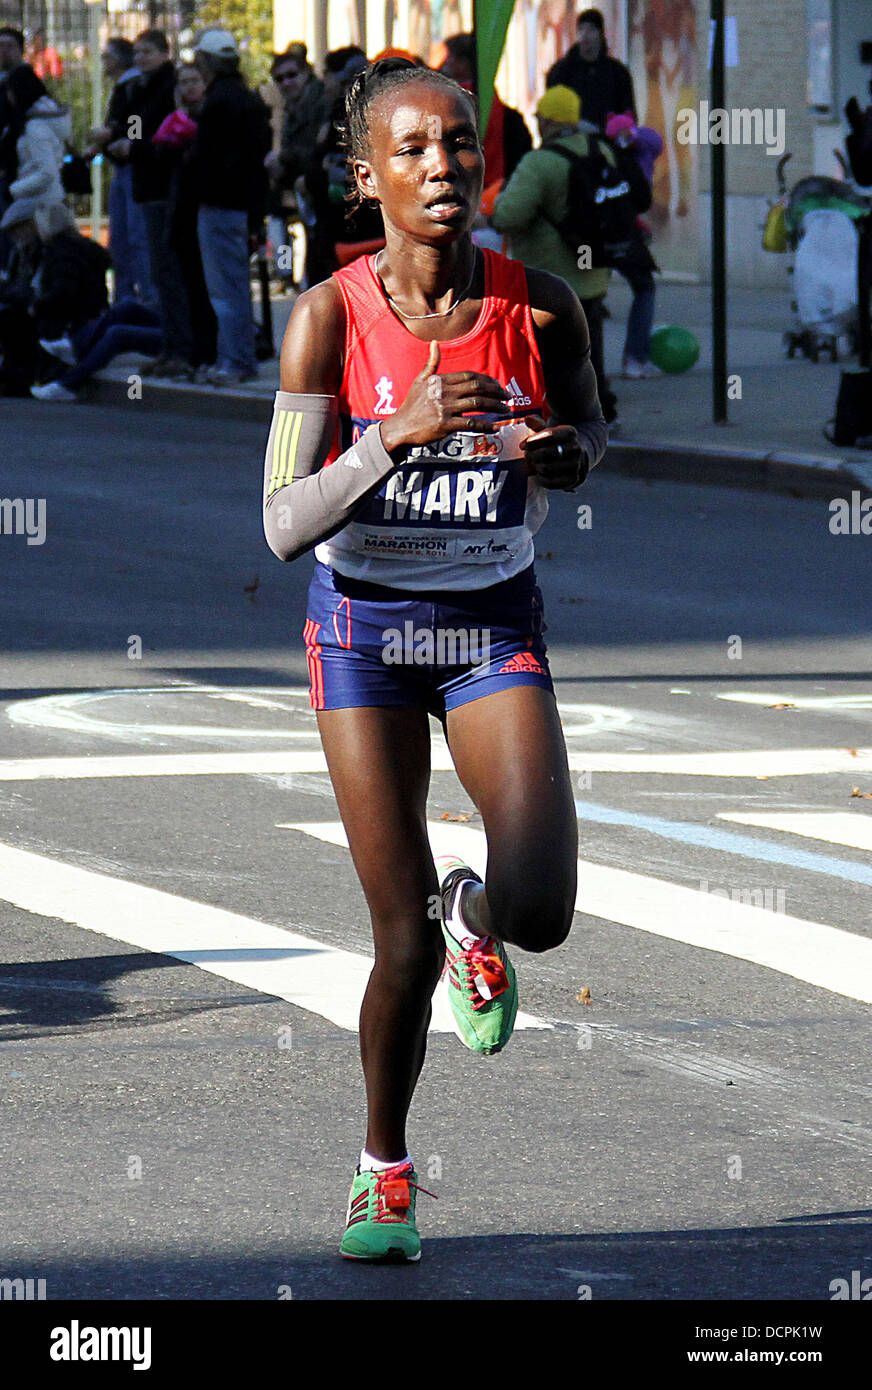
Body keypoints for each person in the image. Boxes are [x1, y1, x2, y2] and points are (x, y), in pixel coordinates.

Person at [262, 56, 607, 1262]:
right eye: (409, 151)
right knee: (397, 945)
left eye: (458, 146)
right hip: (364, 637)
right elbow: (279, 518)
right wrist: (391, 439)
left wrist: (563, 455)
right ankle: (384, 1169)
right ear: (367, 180)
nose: (440, 169)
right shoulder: (324, 316)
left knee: (541, 909)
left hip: (487, 628)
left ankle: (476, 908)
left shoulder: (541, 302)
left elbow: (589, 425)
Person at [491, 84, 620, 424]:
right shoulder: (600, 151)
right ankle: (600, 412)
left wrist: (493, 208)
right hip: (592, 269)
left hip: (549, 278)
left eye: (540, 118)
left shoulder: (540, 163)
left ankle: (557, 417)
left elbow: (509, 216)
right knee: (590, 352)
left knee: (550, 356)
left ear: (548, 121)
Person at [191, 28, 272, 385]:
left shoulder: (218, 103)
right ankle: (235, 358)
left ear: (206, 63)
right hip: (242, 204)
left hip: (220, 204)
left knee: (225, 288)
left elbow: (206, 159)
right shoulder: (248, 100)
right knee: (233, 285)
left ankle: (236, 362)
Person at [107, 29, 189, 376]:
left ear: (164, 53)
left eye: (147, 52)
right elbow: (137, 128)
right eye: (137, 53)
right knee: (157, 268)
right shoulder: (139, 88)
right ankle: (168, 346)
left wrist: (134, 145)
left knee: (169, 272)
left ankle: (180, 348)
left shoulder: (167, 88)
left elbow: (162, 134)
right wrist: (128, 141)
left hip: (162, 186)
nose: (140, 59)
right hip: (145, 183)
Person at [0, 198, 110, 393]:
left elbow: (64, 291)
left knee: (13, 319)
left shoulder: (61, 252)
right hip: (77, 313)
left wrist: (36, 305)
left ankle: (18, 379)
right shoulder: (71, 248)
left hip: (69, 319)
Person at [86, 37, 154, 304]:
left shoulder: (132, 86)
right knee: (124, 238)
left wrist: (119, 136)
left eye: (108, 56)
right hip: (124, 166)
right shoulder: (125, 86)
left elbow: (135, 120)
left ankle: (137, 296)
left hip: (131, 168)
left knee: (133, 236)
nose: (104, 61)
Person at [604, 112, 662, 378]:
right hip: (620, 234)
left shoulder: (640, 153)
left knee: (592, 297)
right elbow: (639, 199)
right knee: (644, 287)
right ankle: (635, 358)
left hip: (614, 232)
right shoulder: (622, 161)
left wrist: (632, 136)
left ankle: (633, 358)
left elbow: (654, 141)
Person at [438, 32, 532, 188]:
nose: (446, 62)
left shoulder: (457, 98)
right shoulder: (489, 96)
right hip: (496, 182)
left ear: (464, 63)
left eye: (450, 57)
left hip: (470, 183)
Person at [267, 47, 327, 289]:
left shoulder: (318, 102)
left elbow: (315, 147)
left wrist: (283, 157)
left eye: (291, 75)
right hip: (293, 185)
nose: (286, 83)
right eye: (279, 79)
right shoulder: (288, 108)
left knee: (314, 245)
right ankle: (286, 272)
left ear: (305, 73)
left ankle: (296, 277)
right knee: (278, 221)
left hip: (315, 184)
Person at [31, 297, 162, 400]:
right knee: (127, 307)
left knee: (117, 334)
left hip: (178, 337)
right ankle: (75, 347)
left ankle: (69, 384)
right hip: (173, 324)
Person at [546, 7, 636, 133]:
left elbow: (627, 113)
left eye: (591, 29)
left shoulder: (617, 73)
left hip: (607, 143)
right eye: (581, 29)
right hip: (571, 142)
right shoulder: (561, 71)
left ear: (600, 34)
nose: (585, 35)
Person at [4, 64, 71, 215]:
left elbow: (47, 172)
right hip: (50, 197)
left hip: (38, 201)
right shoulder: (51, 117)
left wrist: (15, 189)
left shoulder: (35, 127)